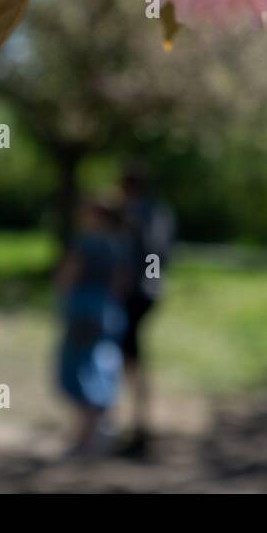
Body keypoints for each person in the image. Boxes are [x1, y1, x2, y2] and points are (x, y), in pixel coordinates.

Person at [55, 199, 133, 457]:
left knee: (79, 370)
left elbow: (68, 276)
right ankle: (98, 428)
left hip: (83, 312)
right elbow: (122, 282)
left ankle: (88, 434)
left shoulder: (85, 243)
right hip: (109, 313)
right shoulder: (121, 243)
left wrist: (62, 300)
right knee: (102, 368)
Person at [117, 167, 176, 457]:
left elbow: (152, 252)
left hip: (136, 294)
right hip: (147, 292)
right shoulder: (157, 211)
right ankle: (135, 424)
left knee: (131, 358)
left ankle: (137, 426)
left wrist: (137, 280)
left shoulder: (140, 214)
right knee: (131, 357)